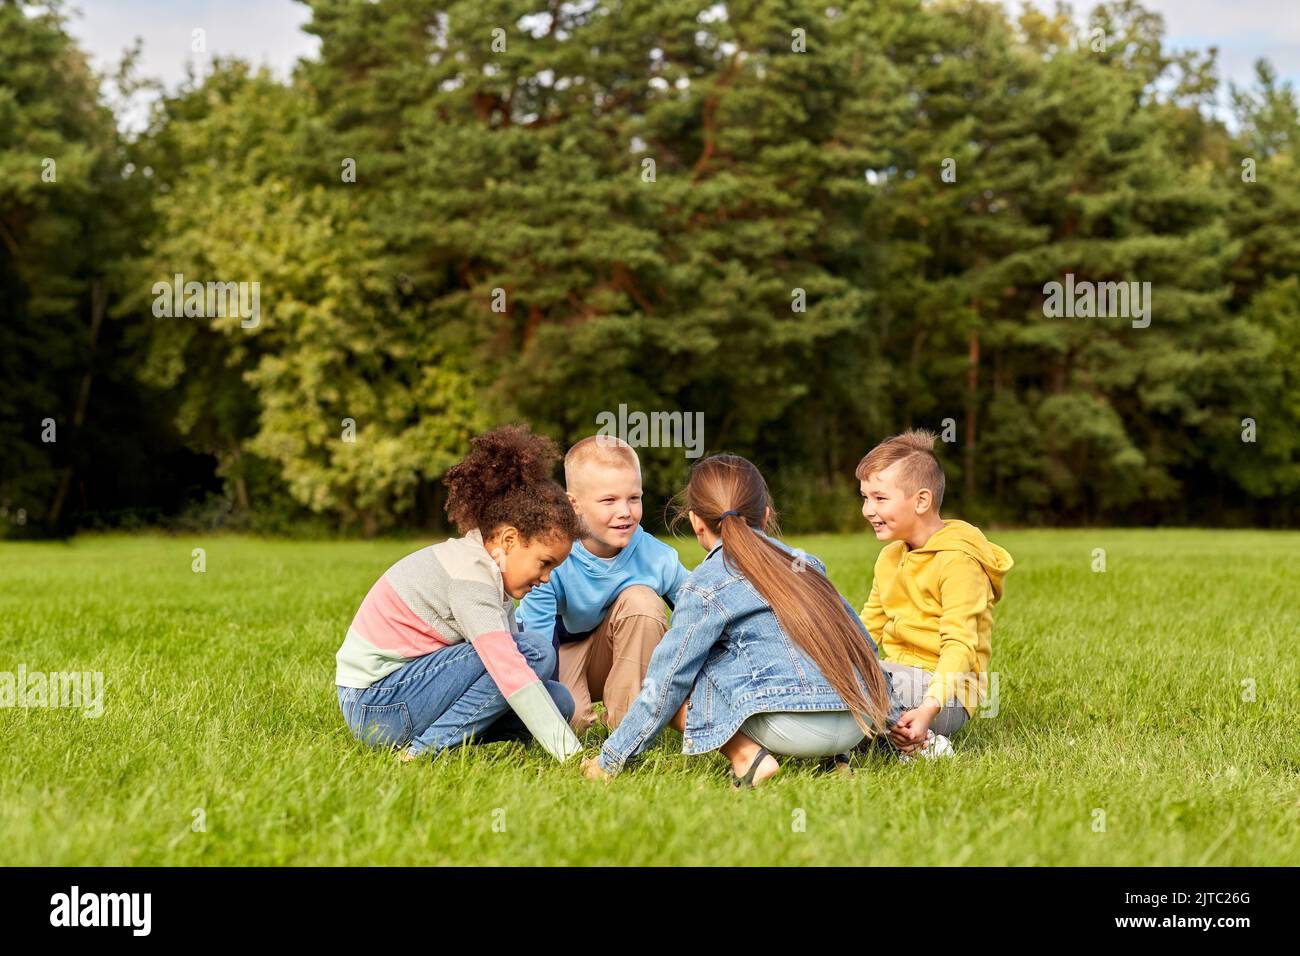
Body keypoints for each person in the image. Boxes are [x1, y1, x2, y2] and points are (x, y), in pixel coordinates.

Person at [581, 453, 897, 788]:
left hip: (788, 728)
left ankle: (748, 758)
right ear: (765, 514)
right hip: (855, 722)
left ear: (695, 521)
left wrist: (610, 759)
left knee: (678, 667)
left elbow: (667, 683)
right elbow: (861, 643)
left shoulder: (704, 584)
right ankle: (833, 761)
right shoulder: (807, 563)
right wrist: (895, 721)